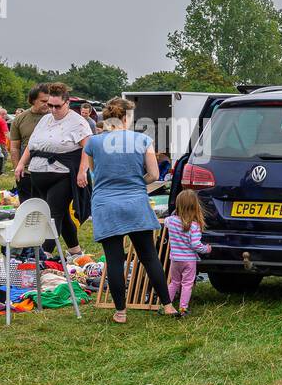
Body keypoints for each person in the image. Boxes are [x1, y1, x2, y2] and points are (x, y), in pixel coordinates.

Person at [78, 97, 176, 321]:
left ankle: (120, 311)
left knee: (113, 260)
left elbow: (95, 172)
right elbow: (153, 174)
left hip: (105, 203)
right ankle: (168, 305)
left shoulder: (93, 143)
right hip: (135, 202)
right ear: (125, 117)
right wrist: (136, 182)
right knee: (149, 256)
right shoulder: (143, 140)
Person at [15, 82, 91, 257]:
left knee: (52, 215)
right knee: (62, 215)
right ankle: (76, 252)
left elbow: (87, 148)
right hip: (38, 175)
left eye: (57, 106)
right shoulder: (45, 119)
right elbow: (32, 146)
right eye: (50, 105)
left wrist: (82, 171)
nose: (53, 110)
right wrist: (20, 164)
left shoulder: (78, 122)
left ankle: (44, 256)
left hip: (62, 176)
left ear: (67, 103)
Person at [164, 189, 212, 315]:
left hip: (175, 259)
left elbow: (165, 221)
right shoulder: (194, 226)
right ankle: (183, 308)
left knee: (174, 282)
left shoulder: (171, 221)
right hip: (189, 261)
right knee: (187, 284)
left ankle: (165, 305)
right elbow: (195, 245)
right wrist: (206, 249)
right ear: (195, 206)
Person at [9, 86, 49, 192]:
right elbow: (14, 148)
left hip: (50, 171)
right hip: (27, 172)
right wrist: (17, 168)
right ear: (32, 100)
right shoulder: (19, 119)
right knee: (28, 206)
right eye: (43, 101)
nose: (47, 104)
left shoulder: (55, 117)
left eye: (48, 101)